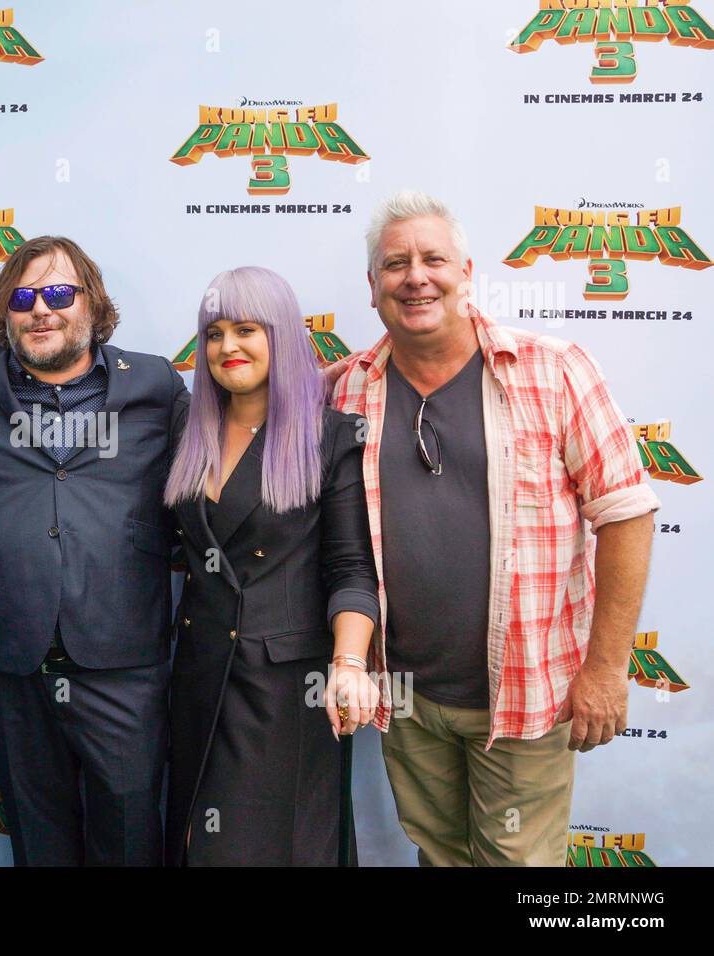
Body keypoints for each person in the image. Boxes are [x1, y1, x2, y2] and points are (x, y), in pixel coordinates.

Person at [330, 189, 660, 866]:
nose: (415, 276)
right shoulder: (351, 390)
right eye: (395, 264)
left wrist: (605, 669)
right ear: (371, 288)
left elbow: (627, 512)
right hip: (408, 701)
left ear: (467, 271)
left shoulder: (552, 369)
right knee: (441, 854)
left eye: (433, 259)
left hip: (524, 695)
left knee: (519, 862)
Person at [0, 235, 189, 866]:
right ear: (4, 311)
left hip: (124, 662)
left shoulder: (156, 384)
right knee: (37, 838)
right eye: (23, 297)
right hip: (11, 662)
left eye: (57, 293)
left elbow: (223, 466)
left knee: (132, 839)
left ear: (92, 302)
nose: (40, 310)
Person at [162, 266, 380, 866]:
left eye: (246, 330)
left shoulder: (329, 437)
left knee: (275, 848)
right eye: (213, 333)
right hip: (200, 680)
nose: (227, 347)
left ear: (281, 335)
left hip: (286, 692)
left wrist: (350, 664)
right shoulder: (187, 428)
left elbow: (352, 567)